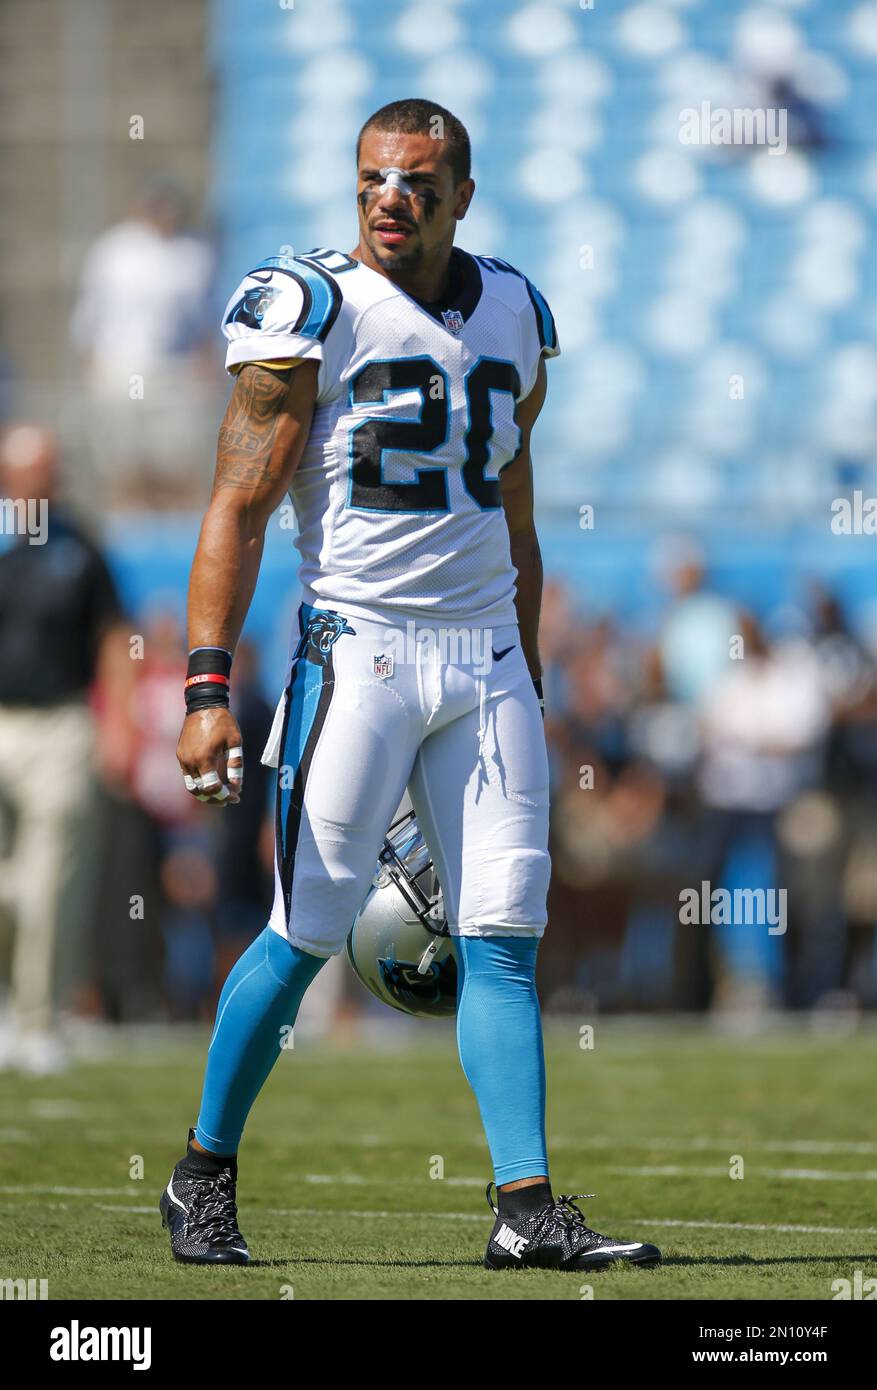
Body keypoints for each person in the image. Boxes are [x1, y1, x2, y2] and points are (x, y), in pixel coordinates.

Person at [159, 100, 660, 1273]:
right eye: (374, 179)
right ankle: (201, 1173)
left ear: (461, 196)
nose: (391, 198)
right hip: (362, 649)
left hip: (484, 653)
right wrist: (203, 687)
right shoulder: (313, 307)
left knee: (501, 935)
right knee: (307, 931)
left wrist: (529, 667)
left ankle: (523, 1205)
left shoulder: (516, 308)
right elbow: (234, 502)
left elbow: (516, 514)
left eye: (418, 182)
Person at [0, 424, 123, 1071]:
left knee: (54, 882)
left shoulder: (79, 549)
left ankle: (38, 1018)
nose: (40, 482)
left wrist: (119, 725)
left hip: (60, 725)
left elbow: (113, 636)